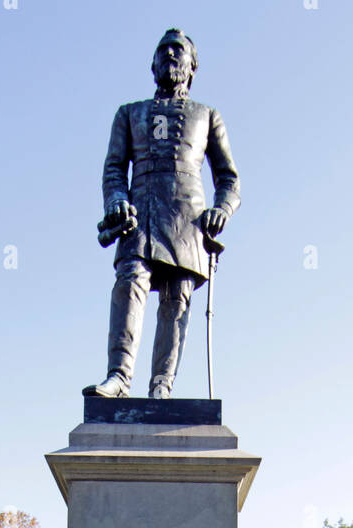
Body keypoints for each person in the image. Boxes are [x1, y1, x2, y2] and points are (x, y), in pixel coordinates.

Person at [83, 29, 240, 400]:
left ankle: (161, 388)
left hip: (188, 220)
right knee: (129, 282)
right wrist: (115, 201)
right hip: (141, 216)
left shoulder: (208, 115)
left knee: (176, 299)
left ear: (192, 67)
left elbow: (229, 179)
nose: (170, 55)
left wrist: (222, 210)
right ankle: (119, 377)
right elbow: (114, 170)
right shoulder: (129, 113)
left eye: (178, 50)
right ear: (152, 64)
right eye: (163, 50)